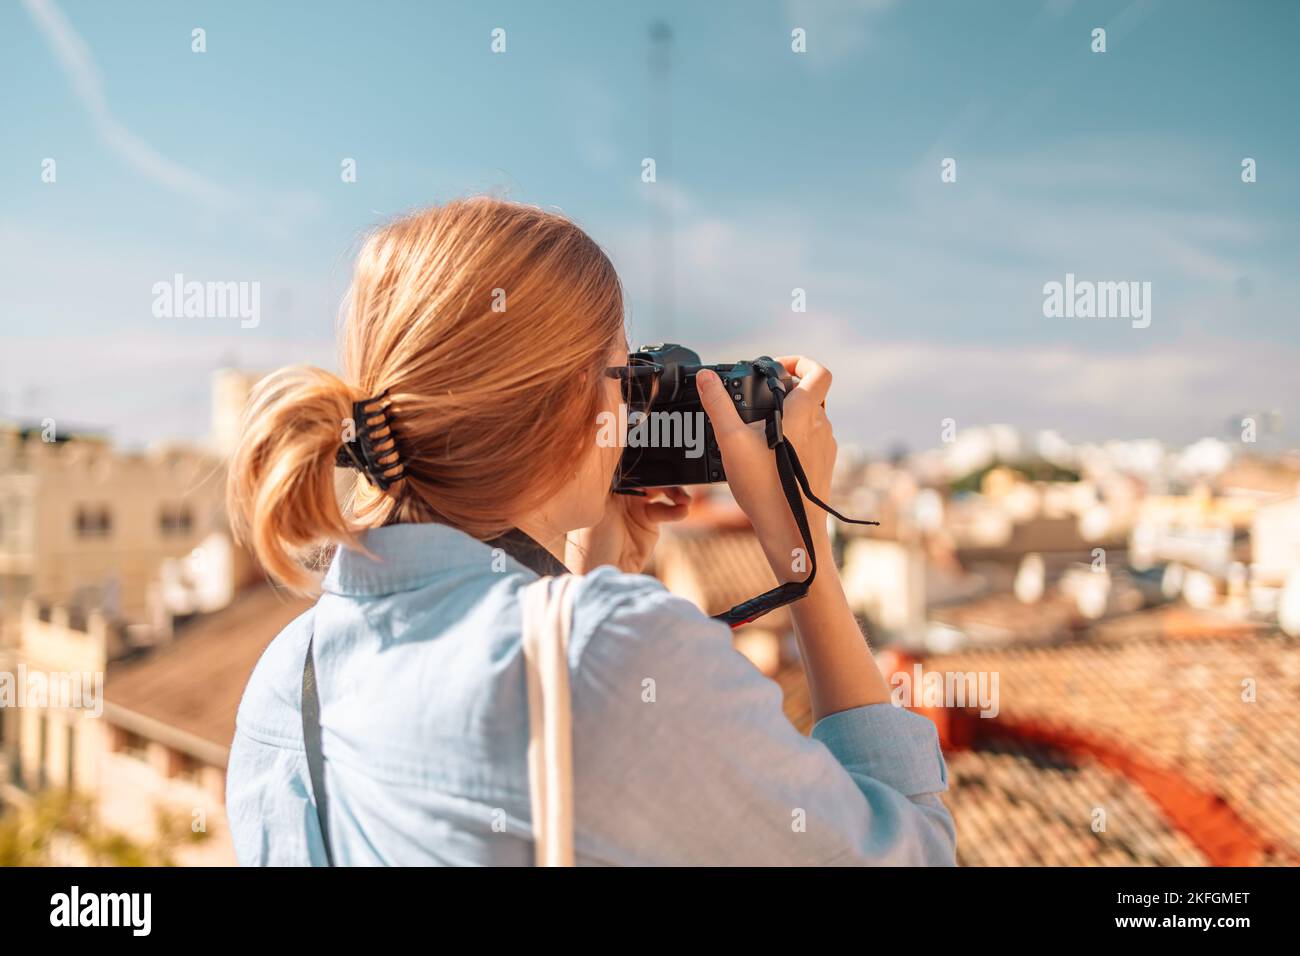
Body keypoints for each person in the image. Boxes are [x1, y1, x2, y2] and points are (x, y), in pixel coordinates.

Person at [224, 197, 956, 865]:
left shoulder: (287, 679)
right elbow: (913, 853)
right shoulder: (616, 650)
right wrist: (805, 550)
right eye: (625, 377)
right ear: (575, 406)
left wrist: (592, 570)